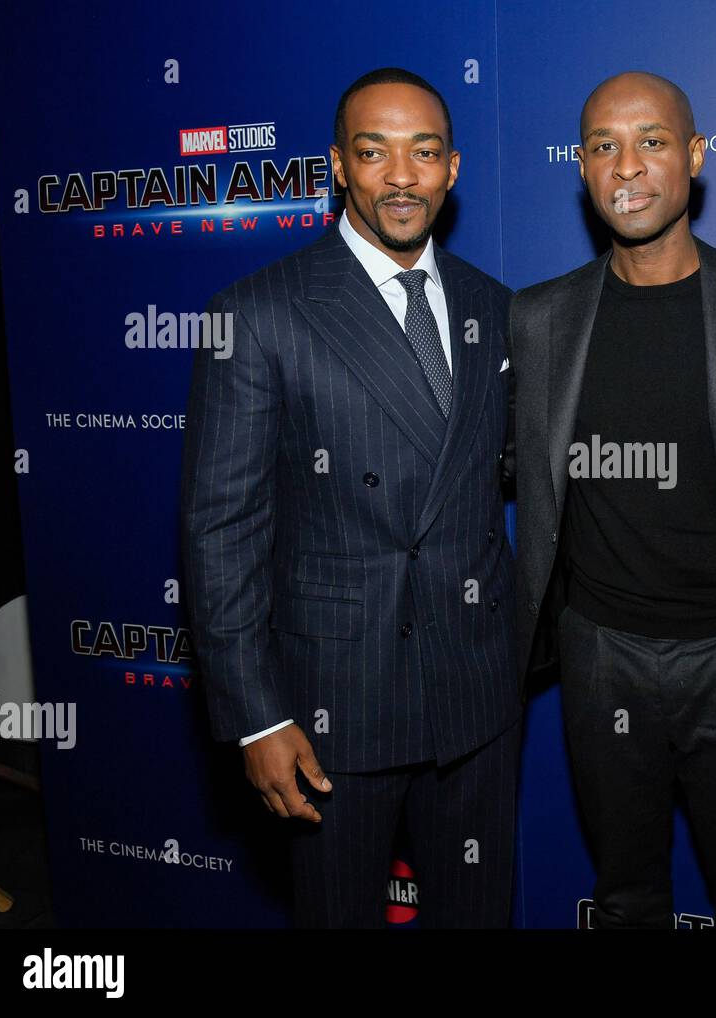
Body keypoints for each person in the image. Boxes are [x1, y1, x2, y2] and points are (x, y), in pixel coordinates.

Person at [181, 67, 519, 928]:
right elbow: (221, 531)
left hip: (476, 697)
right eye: (375, 152)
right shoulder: (259, 314)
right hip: (335, 703)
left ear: (453, 169)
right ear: (338, 164)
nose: (401, 177)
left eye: (425, 152)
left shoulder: (496, 308)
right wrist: (258, 720)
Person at [506, 71, 716, 928]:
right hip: (601, 654)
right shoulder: (538, 319)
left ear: (694, 156)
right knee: (625, 896)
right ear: (581, 168)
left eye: (652, 141)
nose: (628, 167)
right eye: (604, 147)